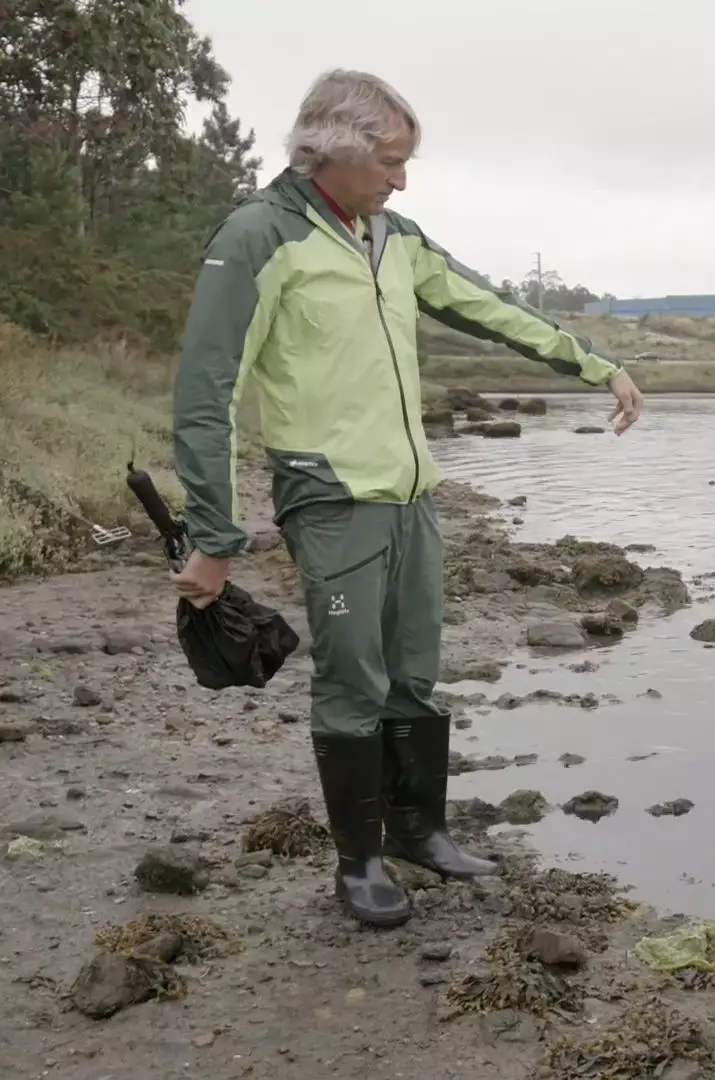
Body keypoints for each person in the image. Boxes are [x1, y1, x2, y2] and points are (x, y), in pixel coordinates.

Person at [168, 70, 645, 929]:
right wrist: (213, 532)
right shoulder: (257, 238)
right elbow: (207, 387)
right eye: (391, 160)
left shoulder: (397, 236)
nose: (402, 178)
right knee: (353, 677)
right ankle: (358, 864)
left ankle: (422, 830)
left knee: (416, 673)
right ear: (336, 152)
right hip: (329, 497)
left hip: (413, 495)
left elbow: (494, 307)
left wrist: (596, 365)